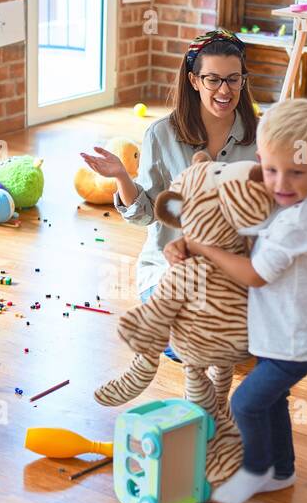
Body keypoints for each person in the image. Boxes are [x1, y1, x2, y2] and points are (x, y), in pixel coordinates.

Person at [168, 98, 307, 503]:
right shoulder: (285, 202)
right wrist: (187, 241)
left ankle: (256, 469)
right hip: (277, 333)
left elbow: (254, 273)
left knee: (246, 402)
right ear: (260, 160)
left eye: (296, 173)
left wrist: (204, 248)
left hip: (295, 342)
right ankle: (282, 470)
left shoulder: (300, 221)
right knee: (272, 401)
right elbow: (239, 225)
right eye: (272, 170)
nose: (280, 183)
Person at [80, 29, 260, 310]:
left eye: (233, 79)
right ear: (194, 80)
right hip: (170, 270)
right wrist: (121, 176)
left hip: (235, 272)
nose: (225, 90)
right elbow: (147, 214)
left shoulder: (262, 135)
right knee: (186, 339)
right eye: (213, 79)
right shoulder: (161, 134)